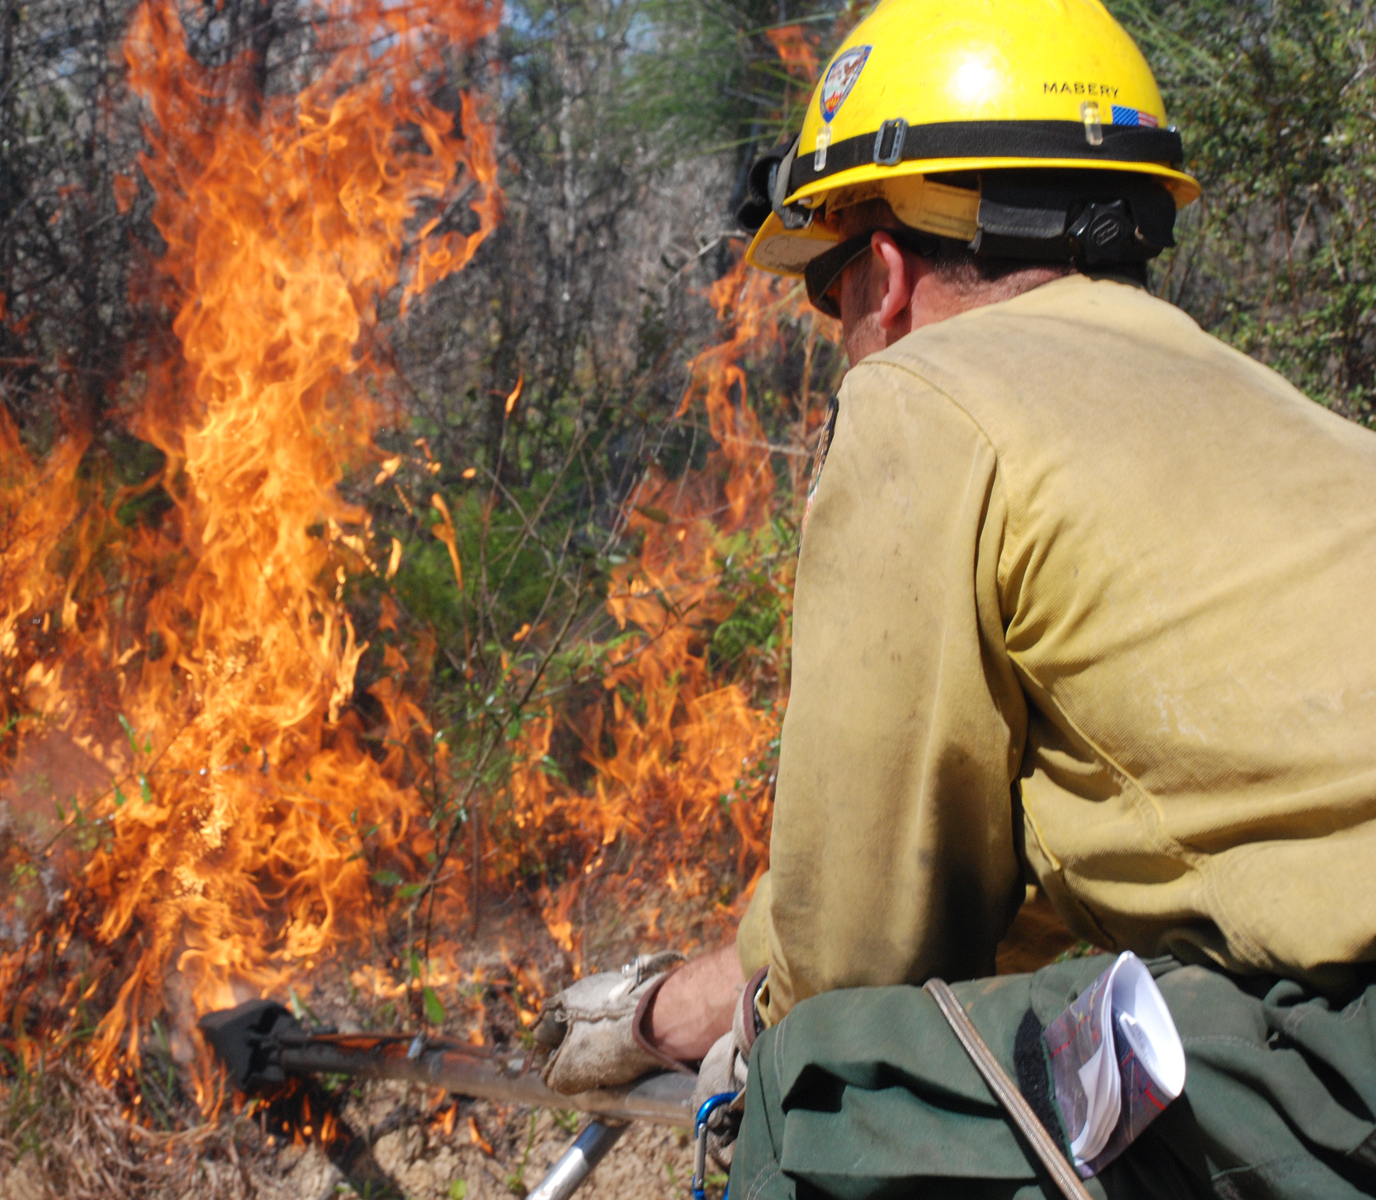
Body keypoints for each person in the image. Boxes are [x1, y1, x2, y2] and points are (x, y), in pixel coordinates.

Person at [529, 1, 1376, 1196]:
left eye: (825, 290)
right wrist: (690, 997)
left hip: (1353, 1048)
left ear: (880, 265)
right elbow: (1014, 861)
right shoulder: (1269, 409)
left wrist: (740, 1017)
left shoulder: (929, 396)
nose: (839, 329)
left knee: (826, 1092)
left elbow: (866, 953)